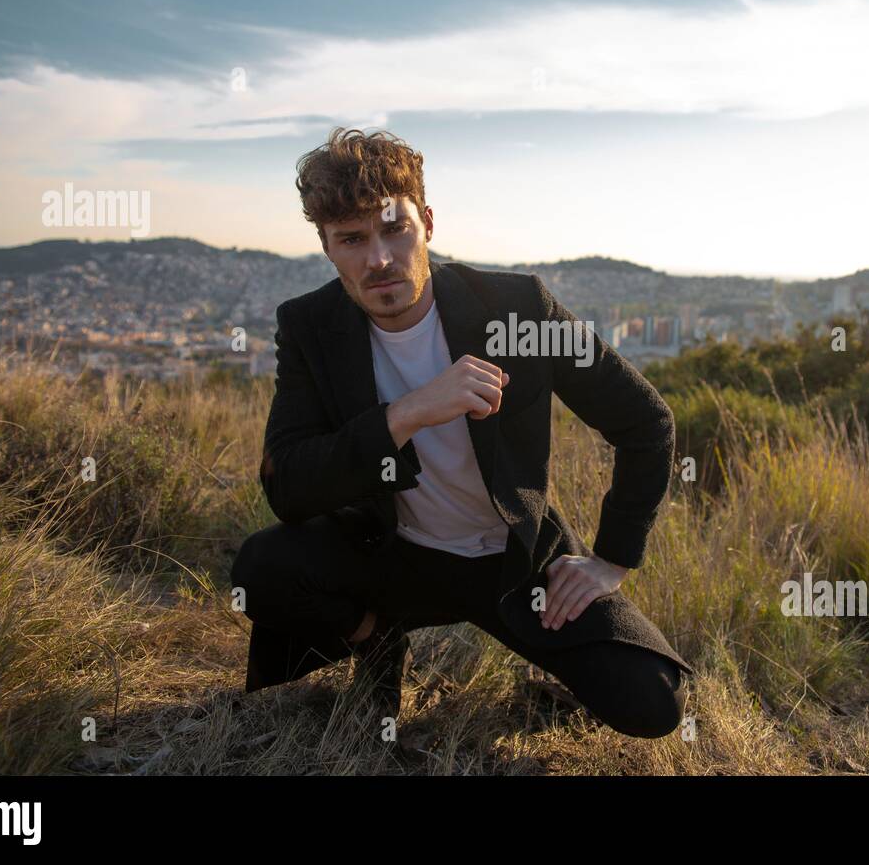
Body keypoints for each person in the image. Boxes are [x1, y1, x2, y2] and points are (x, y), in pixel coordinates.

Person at [231, 127, 692, 739]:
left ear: (426, 222)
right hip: (389, 554)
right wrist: (411, 411)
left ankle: (559, 668)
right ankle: (376, 639)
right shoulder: (310, 326)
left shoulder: (518, 310)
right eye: (352, 239)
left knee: (653, 704)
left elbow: (646, 422)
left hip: (513, 563)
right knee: (260, 567)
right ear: (327, 246)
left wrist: (610, 560)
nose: (379, 260)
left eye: (395, 229)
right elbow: (287, 485)